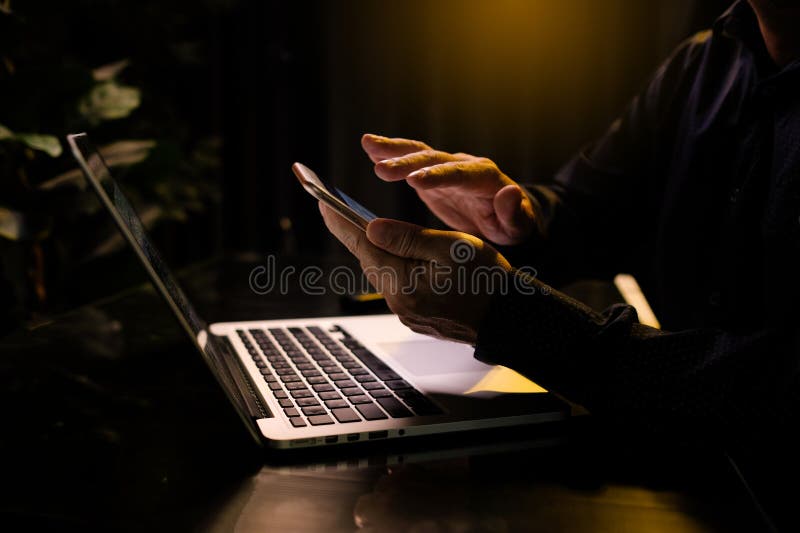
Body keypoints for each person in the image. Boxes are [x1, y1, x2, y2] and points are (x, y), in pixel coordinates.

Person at [319, 0, 799, 444]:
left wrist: (510, 318)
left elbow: (771, 385)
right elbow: (589, 209)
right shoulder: (705, 63)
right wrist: (517, 219)